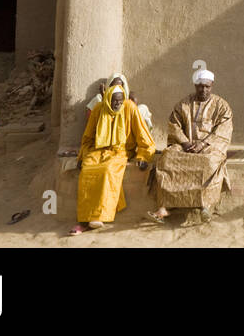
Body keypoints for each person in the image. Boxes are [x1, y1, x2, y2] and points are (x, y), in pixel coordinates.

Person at [148, 68, 233, 223]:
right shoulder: (183, 104)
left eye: (207, 86)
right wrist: (185, 142)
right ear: (195, 85)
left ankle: (205, 206)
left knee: (209, 162)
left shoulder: (222, 106)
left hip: (210, 146)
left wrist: (203, 144)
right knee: (167, 159)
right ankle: (164, 208)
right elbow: (174, 125)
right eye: (200, 86)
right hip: (185, 144)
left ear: (212, 85)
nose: (203, 90)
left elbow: (223, 130)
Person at [72, 79, 155, 235]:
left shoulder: (130, 107)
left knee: (108, 170)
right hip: (98, 151)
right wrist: (82, 156)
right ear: (108, 99)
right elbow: (88, 137)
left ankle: (99, 216)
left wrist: (143, 156)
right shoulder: (98, 109)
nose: (117, 104)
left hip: (121, 151)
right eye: (114, 101)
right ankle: (84, 219)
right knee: (87, 171)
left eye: (120, 101)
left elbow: (144, 136)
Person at [87, 73, 155, 133]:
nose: (117, 89)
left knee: (143, 108)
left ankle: (145, 135)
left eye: (120, 86)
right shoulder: (99, 98)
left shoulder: (125, 99)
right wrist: (104, 97)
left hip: (124, 128)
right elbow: (92, 117)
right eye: (114, 86)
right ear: (109, 86)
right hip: (108, 128)